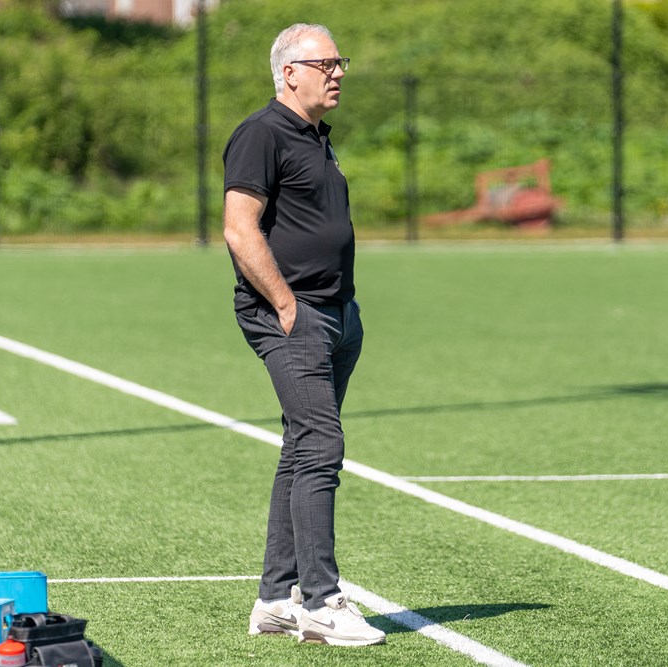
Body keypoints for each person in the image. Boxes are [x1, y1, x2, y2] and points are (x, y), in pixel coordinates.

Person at [223, 24, 385, 647]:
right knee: (321, 443)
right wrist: (287, 304)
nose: (339, 71)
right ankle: (320, 602)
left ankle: (274, 600)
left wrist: (341, 309)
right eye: (327, 62)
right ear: (290, 72)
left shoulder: (317, 136)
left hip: (336, 313)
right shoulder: (260, 134)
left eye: (341, 60)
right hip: (291, 315)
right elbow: (241, 229)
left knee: (301, 446)